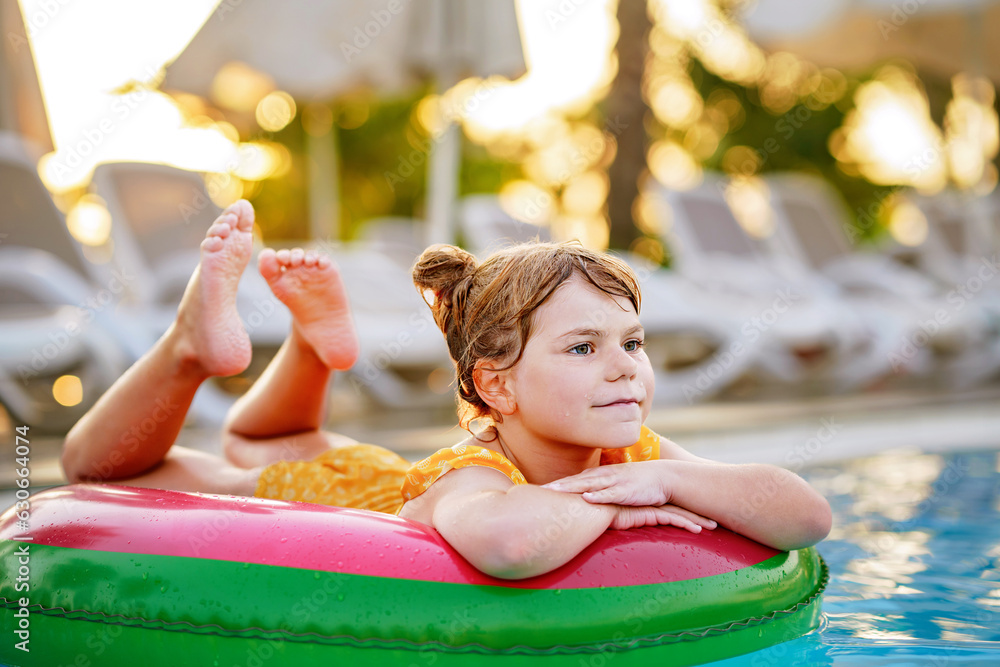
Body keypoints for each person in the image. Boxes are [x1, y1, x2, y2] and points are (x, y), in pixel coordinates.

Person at [61, 200, 831, 580]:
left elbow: (806, 513)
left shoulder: (633, 450)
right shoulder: (470, 473)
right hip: (331, 488)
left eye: (633, 341)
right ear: (496, 385)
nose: (624, 365)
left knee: (260, 436)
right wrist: (620, 505)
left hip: (370, 467)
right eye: (583, 346)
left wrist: (668, 477)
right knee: (104, 468)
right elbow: (507, 544)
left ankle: (314, 349)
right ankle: (188, 349)